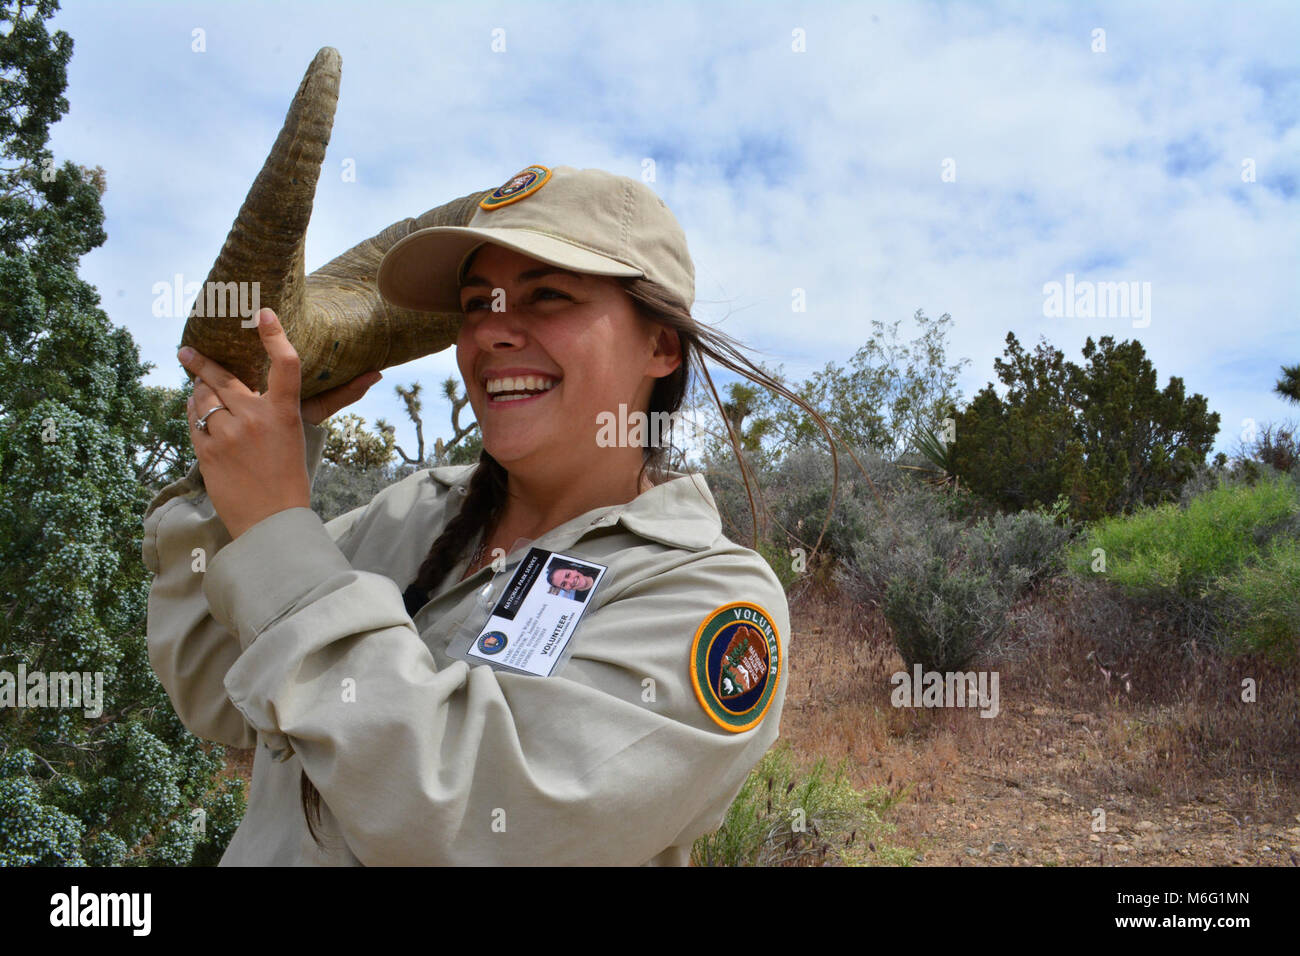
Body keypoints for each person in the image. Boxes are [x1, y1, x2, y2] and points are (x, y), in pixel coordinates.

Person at [142, 164, 836, 865]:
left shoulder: (706, 598)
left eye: (548, 296)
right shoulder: (414, 512)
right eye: (478, 304)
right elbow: (211, 680)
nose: (494, 334)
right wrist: (231, 477)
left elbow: (478, 816)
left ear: (660, 346)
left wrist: (274, 528)